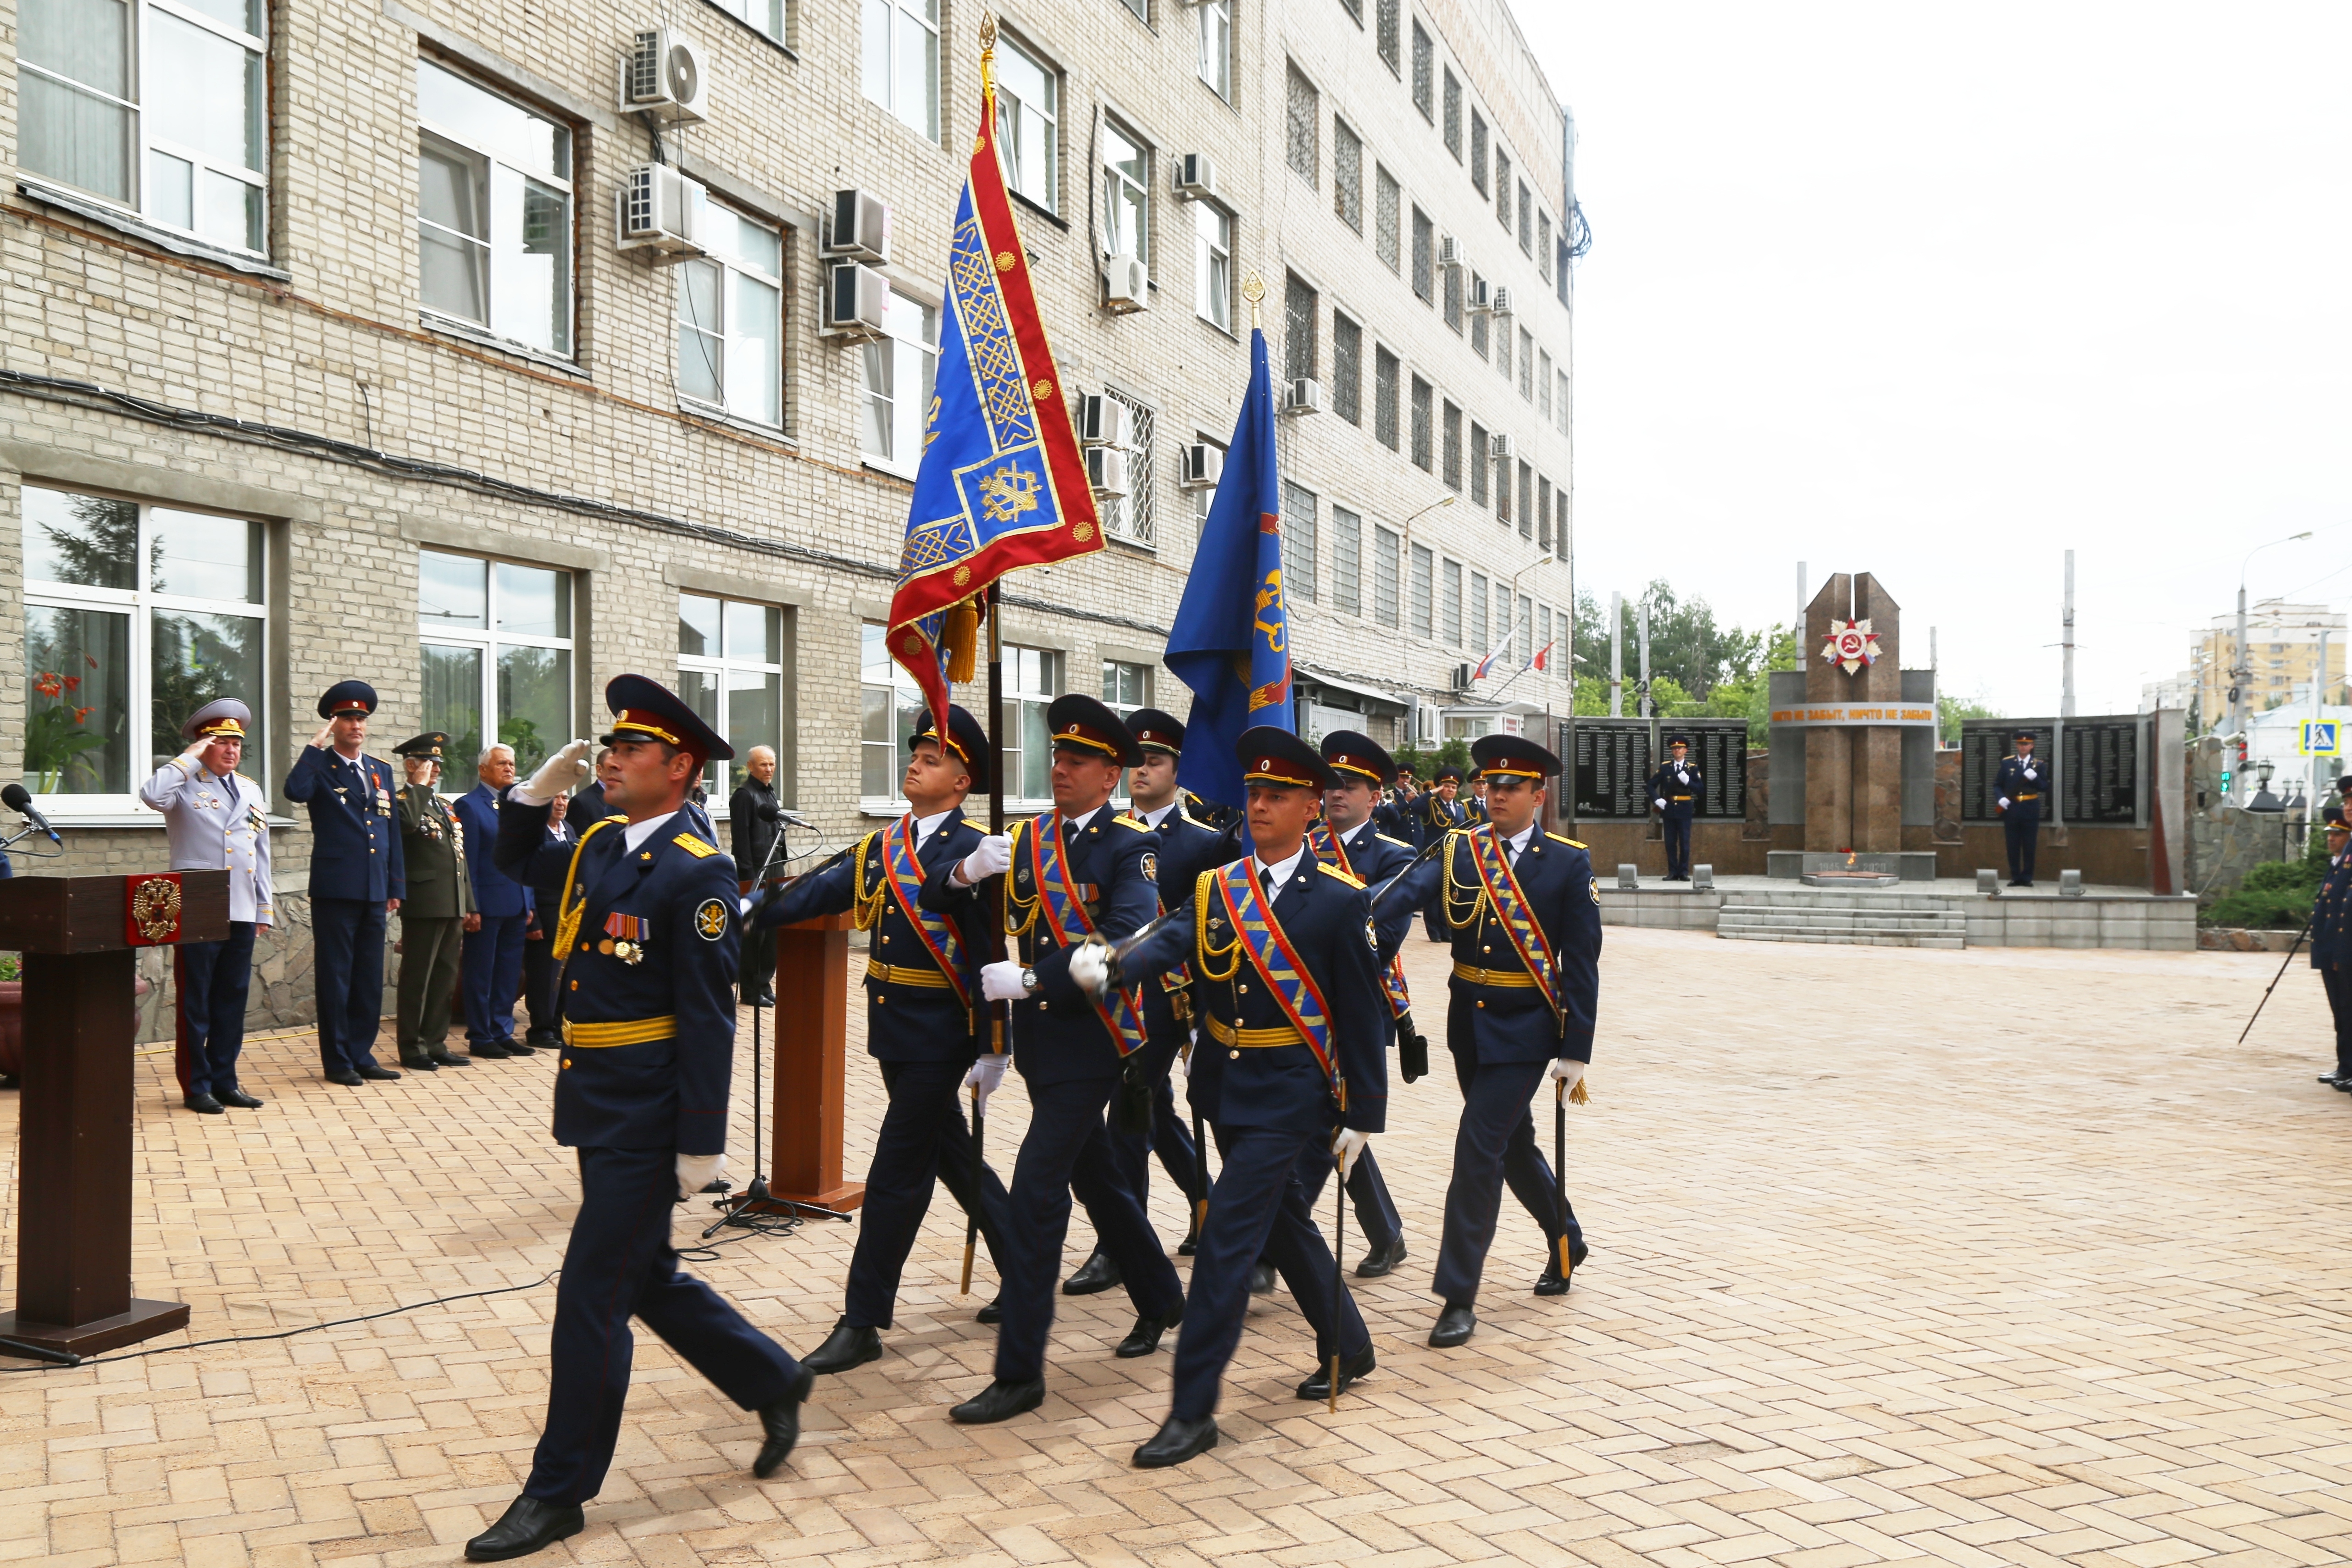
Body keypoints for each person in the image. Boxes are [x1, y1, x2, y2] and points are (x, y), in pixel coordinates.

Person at [468, 676, 811, 1562]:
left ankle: (558, 1491)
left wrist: (702, 1137)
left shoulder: (696, 870)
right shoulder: (608, 844)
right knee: (644, 1275)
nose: (609, 760)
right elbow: (516, 862)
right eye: (609, 747)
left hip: (650, 1118)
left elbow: (710, 1014)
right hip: (599, 1097)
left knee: (591, 1295)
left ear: (681, 766)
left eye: (630, 750)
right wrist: (532, 795)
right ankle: (774, 1376)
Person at [1076, 726, 1388, 1468]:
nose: (1258, 805)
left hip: (1292, 1094)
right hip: (1222, 1086)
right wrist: (1115, 963)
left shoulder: (1341, 901)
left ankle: (1192, 1409)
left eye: (1276, 795)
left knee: (1224, 1244)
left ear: (1311, 807)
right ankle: (1348, 1341)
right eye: (1252, 793)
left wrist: (1362, 1115)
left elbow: (1360, 1014)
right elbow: (1172, 935)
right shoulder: (1222, 886)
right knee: (1285, 1221)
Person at [929, 694, 1186, 1427]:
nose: (1061, 766)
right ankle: (1163, 1296)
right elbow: (932, 895)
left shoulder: (1127, 842)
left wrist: (1035, 978)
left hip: (1096, 1037)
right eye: (1058, 755)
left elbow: (1129, 932)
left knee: (1038, 1189)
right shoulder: (1030, 837)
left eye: (1079, 760)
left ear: (1112, 775)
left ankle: (1020, 1371)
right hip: (1042, 1042)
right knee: (1099, 1178)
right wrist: (965, 872)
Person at [751, 704, 1013, 1375]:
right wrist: (749, 907)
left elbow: (988, 949)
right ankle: (1027, 1264)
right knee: (954, 1155)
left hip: (942, 1030)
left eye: (932, 759)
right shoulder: (883, 845)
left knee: (897, 1173)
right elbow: (818, 891)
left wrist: (995, 1042)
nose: (915, 763)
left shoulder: (976, 849)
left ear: (962, 782)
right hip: (894, 1026)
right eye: (916, 754)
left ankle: (863, 1318)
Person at [1383, 732, 1601, 1348]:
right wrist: (1353, 913)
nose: (1496, 793)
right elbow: (1402, 895)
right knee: (1511, 1144)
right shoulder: (1459, 848)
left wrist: (1575, 1050)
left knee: (1476, 1146)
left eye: (1511, 785)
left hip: (1527, 1029)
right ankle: (1568, 1236)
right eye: (1491, 783)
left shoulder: (1566, 861)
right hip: (1468, 1023)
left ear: (1538, 793)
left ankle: (1458, 1293)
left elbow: (1581, 963)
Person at [1063, 707, 1225, 1294]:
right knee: (1154, 1112)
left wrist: (1207, 1016)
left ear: (1179, 771)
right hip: (1107, 995)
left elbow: (1211, 931)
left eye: (1154, 760)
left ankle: (1116, 1245)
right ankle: (1204, 1194)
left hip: (1164, 1003)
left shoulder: (1205, 843)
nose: (1141, 770)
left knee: (1125, 1118)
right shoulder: (1107, 833)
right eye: (1135, 761)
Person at [1292, 730, 1415, 1277]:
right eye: (1331, 784)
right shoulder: (1301, 846)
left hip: (1360, 1004)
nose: (1337, 793)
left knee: (1333, 1118)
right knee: (1327, 1119)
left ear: (1374, 795)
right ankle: (1384, 1231)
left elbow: (1380, 938)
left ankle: (1280, 1237)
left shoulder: (1394, 856)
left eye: (1351, 785)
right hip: (1295, 1001)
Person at [139, 698, 273, 1114]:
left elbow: (261, 851)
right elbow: (150, 794)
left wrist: (264, 907)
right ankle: (196, 1086)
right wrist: (186, 759)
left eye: (237, 743)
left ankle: (225, 1080)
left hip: (241, 906)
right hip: (198, 905)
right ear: (203, 745)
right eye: (221, 742)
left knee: (231, 999)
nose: (232, 750)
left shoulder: (250, 788)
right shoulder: (182, 785)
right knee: (195, 1001)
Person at [284, 681, 406, 1086]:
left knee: (369, 976)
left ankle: (361, 1052)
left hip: (374, 889)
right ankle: (338, 1060)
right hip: (336, 888)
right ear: (333, 724)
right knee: (336, 977)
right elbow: (294, 791)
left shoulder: (380, 770)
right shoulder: (320, 767)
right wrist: (313, 751)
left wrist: (395, 885)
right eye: (347, 718)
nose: (356, 724)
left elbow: (390, 834)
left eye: (360, 718)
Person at [390, 733, 476, 1071]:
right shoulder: (401, 800)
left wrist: (468, 901)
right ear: (412, 765)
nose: (436, 770)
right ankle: (413, 1047)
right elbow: (407, 825)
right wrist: (420, 786)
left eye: (438, 764)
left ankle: (436, 1042)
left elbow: (459, 856)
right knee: (418, 977)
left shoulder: (444, 805)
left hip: (451, 901)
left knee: (444, 976)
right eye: (429, 764)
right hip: (424, 901)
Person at [454, 743, 533, 1061]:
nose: (509, 769)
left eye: (512, 764)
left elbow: (526, 856)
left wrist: (529, 901)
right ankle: (481, 1034)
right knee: (481, 972)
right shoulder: (470, 806)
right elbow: (467, 863)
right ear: (483, 769)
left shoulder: (519, 805)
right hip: (485, 905)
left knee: (509, 973)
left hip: (516, 901)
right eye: (501, 763)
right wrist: (470, 906)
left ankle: (502, 1031)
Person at [731, 745, 784, 1007]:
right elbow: (741, 845)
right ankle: (750, 991)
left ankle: (765, 983)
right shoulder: (744, 796)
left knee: (771, 933)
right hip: (755, 875)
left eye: (772, 765)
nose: (769, 770)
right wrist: (750, 881)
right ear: (750, 767)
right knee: (754, 936)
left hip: (775, 872)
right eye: (763, 765)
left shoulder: (770, 793)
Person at [2313, 809, 2352, 1092]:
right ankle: (2344, 1066)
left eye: (2338, 834)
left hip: (2343, 948)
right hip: (2332, 948)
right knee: (2340, 1012)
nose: (2332, 838)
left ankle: (2348, 1068)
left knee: (2347, 1011)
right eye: (2330, 834)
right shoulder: (2338, 863)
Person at [1420, 765, 1470, 940]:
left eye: (1454, 787)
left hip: (1453, 855)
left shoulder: (1460, 808)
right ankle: (1434, 931)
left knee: (1448, 893)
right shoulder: (1431, 804)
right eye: (1447, 786)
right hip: (1434, 854)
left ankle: (1446, 929)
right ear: (1441, 788)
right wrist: (1432, 792)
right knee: (1433, 893)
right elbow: (1414, 807)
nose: (1450, 790)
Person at [1994, 731, 2047, 887]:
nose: (2023, 747)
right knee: (2013, 845)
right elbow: (1997, 784)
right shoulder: (2007, 763)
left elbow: (2045, 787)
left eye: (2026, 744)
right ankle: (2015, 877)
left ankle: (2028, 877)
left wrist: (2035, 778)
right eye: (2020, 744)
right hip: (2012, 809)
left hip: (2030, 809)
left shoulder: (2039, 765)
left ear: (2032, 746)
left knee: (2030, 845)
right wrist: (2001, 798)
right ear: (2017, 745)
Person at [1648, 735, 1701, 882]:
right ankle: (1672, 871)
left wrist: (1689, 781)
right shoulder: (1665, 768)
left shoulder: (1692, 768)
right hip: (1669, 808)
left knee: (1684, 842)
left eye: (1680, 748)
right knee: (1670, 842)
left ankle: (1683, 872)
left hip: (1684, 809)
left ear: (1686, 750)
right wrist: (1657, 799)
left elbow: (1700, 789)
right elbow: (1650, 785)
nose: (1677, 750)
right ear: (1672, 751)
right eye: (1675, 748)